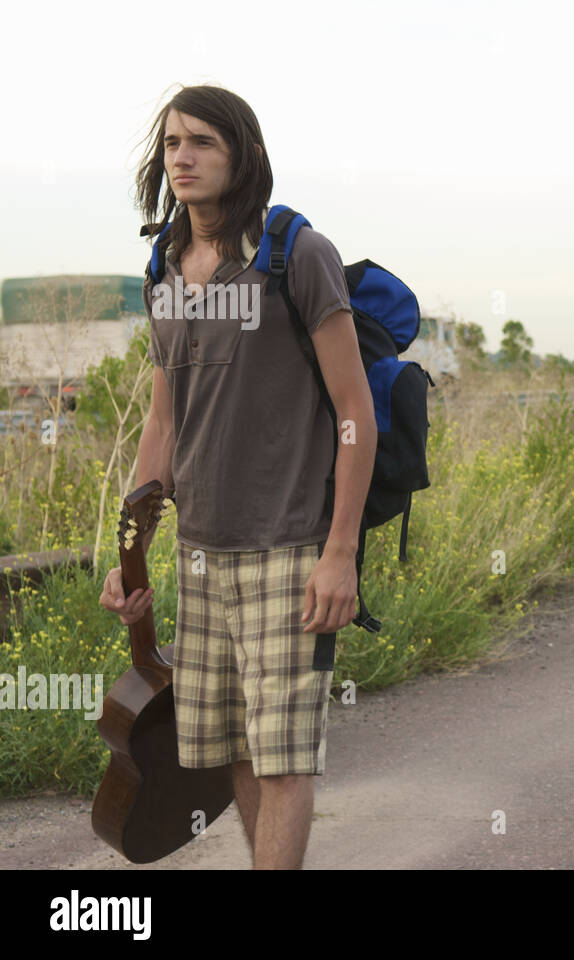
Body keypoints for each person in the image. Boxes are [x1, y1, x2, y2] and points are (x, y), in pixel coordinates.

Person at [98, 85, 377, 869]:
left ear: (242, 154)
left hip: (292, 545)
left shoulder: (296, 255)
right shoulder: (162, 268)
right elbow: (163, 422)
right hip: (200, 551)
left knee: (284, 755)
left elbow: (356, 411)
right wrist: (131, 557)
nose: (182, 157)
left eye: (203, 143)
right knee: (238, 752)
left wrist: (340, 552)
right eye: (173, 144)